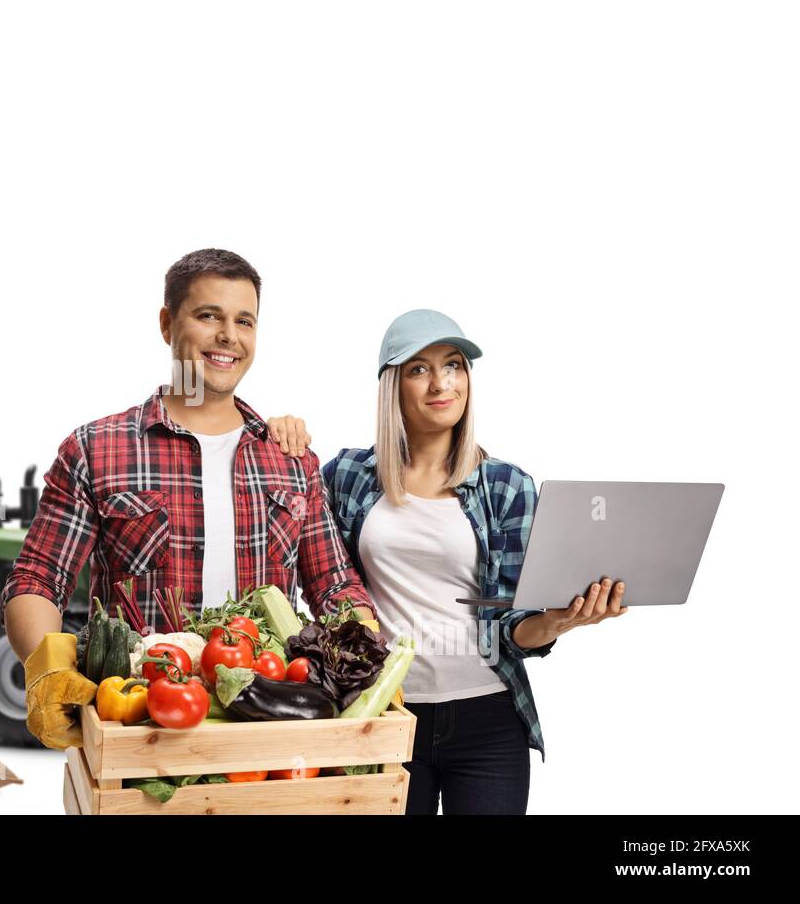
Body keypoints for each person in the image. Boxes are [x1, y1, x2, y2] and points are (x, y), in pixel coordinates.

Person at [0, 249, 378, 749]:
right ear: (166, 323)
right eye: (208, 316)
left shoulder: (291, 459)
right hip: (141, 724)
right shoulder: (97, 449)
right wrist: (45, 670)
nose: (229, 336)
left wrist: (371, 661)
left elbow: (334, 584)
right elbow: (39, 577)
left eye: (245, 321)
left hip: (270, 728)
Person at [267, 309, 627, 814]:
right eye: (419, 369)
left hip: (488, 718)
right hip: (384, 712)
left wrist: (560, 621)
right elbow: (318, 567)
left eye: (454, 365)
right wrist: (280, 432)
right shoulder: (348, 475)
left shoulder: (507, 486)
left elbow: (513, 626)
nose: (441, 383)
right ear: (392, 385)